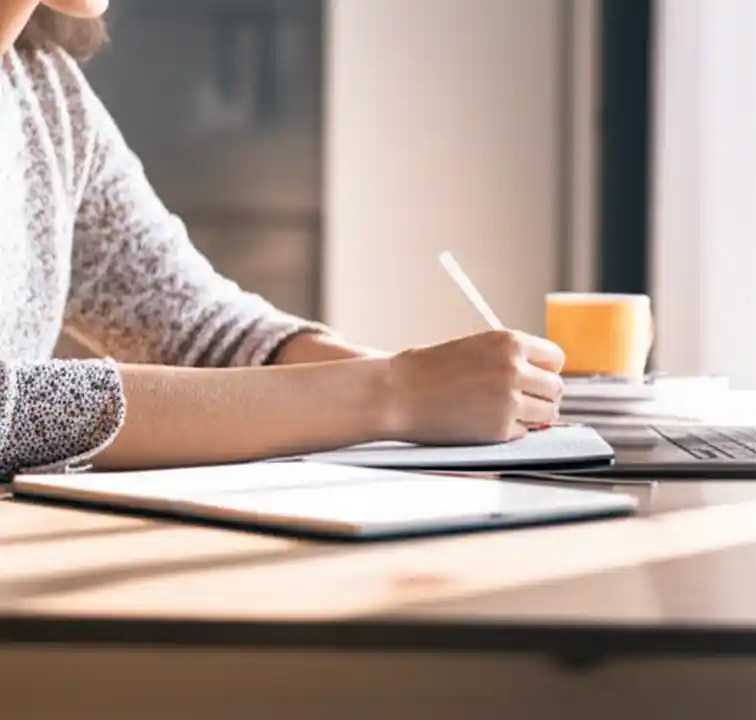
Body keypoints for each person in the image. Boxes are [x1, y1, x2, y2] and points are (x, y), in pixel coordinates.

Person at [0, 1, 565, 475]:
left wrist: (444, 383)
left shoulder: (44, 93)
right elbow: (9, 409)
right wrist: (393, 394)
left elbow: (199, 332)